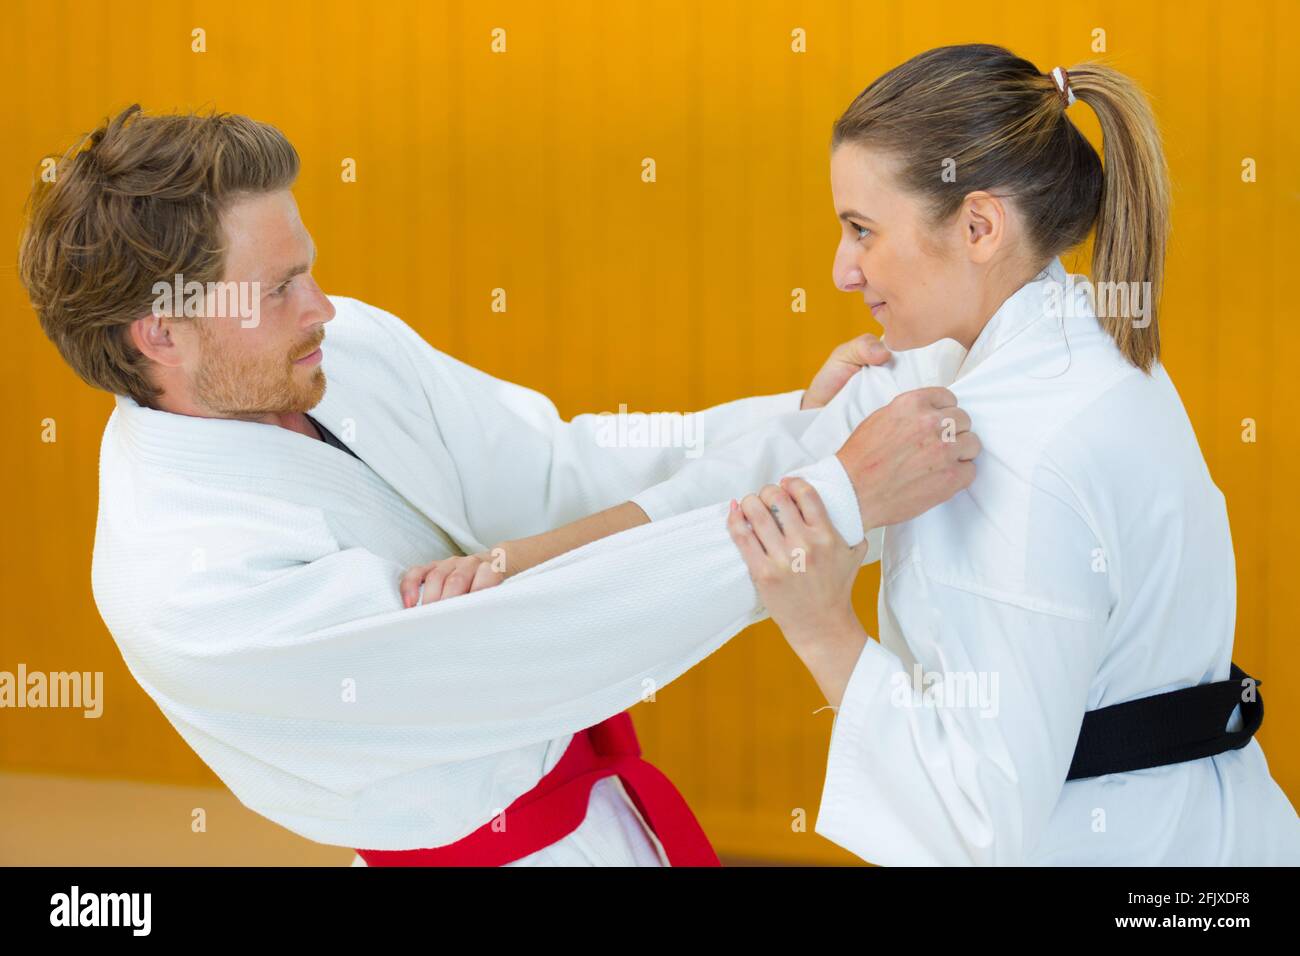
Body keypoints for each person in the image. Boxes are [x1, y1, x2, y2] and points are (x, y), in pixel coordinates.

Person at [18, 105, 978, 866]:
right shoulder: (187, 582)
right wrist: (834, 499)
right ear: (162, 334)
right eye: (277, 291)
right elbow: (539, 633)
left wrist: (790, 429)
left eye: (306, 270)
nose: (324, 307)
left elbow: (560, 471)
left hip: (605, 819)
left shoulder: (339, 353)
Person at [716, 44, 1300, 864]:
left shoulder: (1000, 454)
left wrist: (822, 629)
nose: (843, 271)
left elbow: (978, 828)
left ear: (981, 226)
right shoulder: (1089, 340)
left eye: (862, 232)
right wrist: (822, 425)